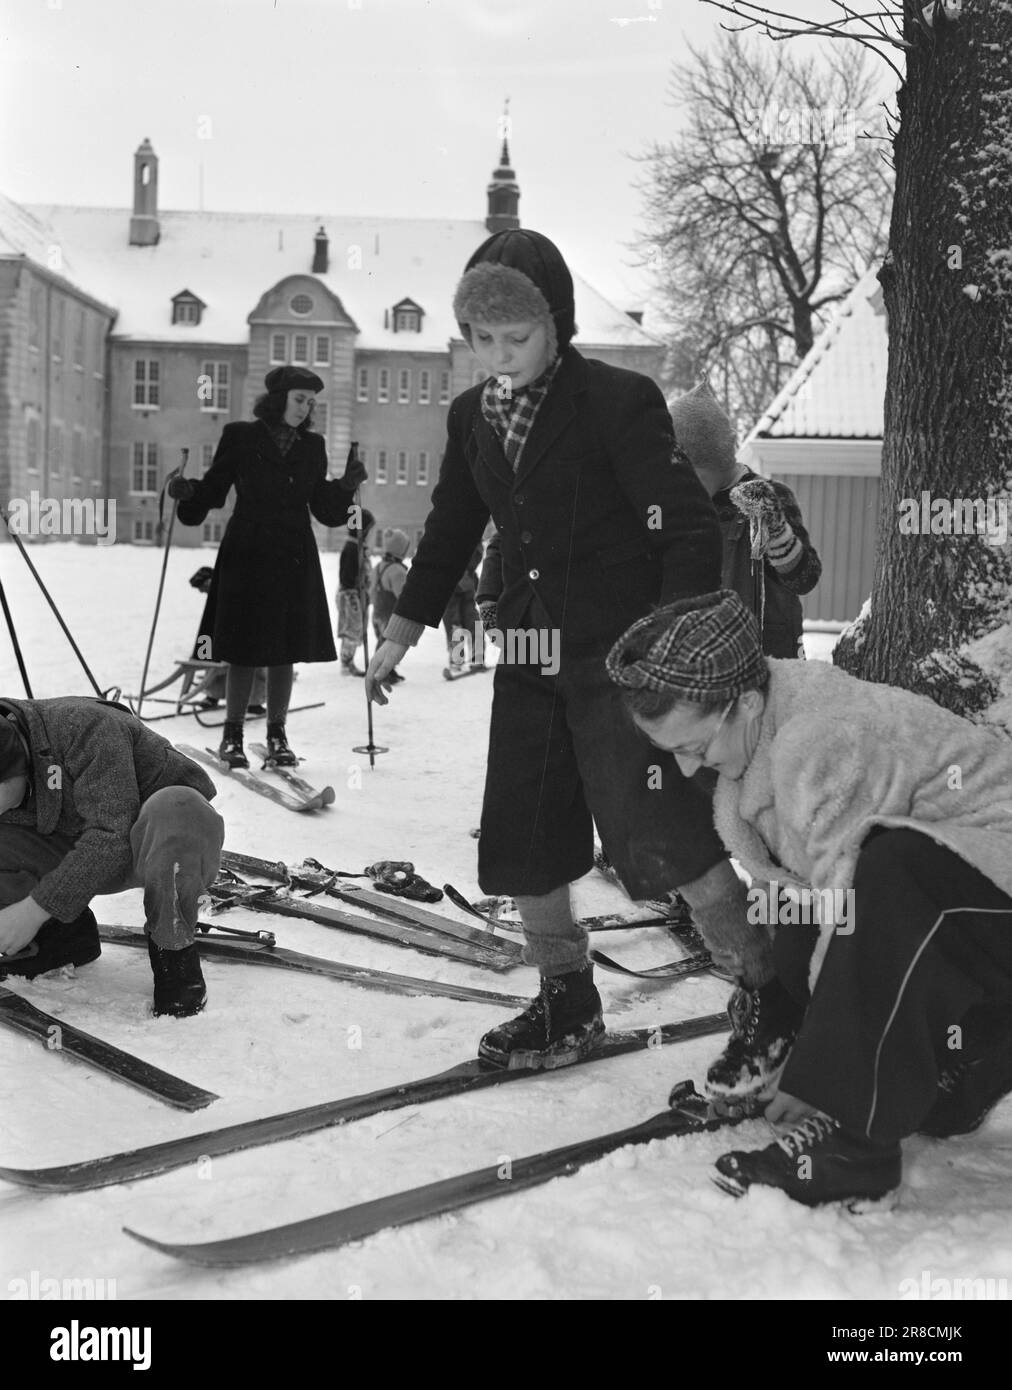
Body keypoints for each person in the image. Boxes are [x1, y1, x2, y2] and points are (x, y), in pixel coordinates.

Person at [366, 227, 782, 1084]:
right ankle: (566, 994)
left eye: (514, 337)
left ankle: (772, 996)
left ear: (555, 324)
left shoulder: (617, 402)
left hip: (622, 661)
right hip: (527, 650)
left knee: (665, 835)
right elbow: (451, 523)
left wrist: (670, 644)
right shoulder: (469, 416)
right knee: (527, 830)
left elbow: (686, 522)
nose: (498, 356)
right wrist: (403, 627)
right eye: (481, 339)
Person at [607, 589, 1012, 1205]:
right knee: (798, 931)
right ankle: (977, 1055)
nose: (689, 771)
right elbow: (806, 904)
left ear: (742, 703)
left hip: (995, 870)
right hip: (979, 907)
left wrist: (822, 1076)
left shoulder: (815, 741)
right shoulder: (764, 731)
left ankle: (855, 1152)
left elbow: (852, 905)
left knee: (891, 873)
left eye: (693, 748)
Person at [167, 365, 367, 768]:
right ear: (278, 399)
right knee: (242, 647)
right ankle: (232, 736)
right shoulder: (240, 436)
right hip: (248, 550)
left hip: (294, 554)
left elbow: (325, 509)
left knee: (284, 648)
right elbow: (214, 488)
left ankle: (278, 736)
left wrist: (346, 486)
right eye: (299, 399)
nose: (305, 408)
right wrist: (187, 492)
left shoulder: (313, 446)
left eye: (310, 402)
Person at [0, 697, 224, 1017]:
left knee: (177, 807)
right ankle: (62, 937)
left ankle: (174, 951)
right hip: (69, 846)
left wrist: (33, 910)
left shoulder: (87, 727)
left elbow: (112, 838)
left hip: (144, 842)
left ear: (17, 766)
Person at [668, 379, 821, 658]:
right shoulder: (681, 506)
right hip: (702, 661)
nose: (685, 487)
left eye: (692, 476)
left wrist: (776, 530)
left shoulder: (770, 498)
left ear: (717, 460)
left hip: (768, 660)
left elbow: (805, 579)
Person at [188, 565, 267, 712]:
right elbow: (209, 626)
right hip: (223, 638)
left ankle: (254, 702)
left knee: (253, 663)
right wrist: (202, 653)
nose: (201, 591)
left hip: (249, 633)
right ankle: (213, 696)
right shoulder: (215, 598)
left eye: (203, 586)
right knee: (214, 661)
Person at [336, 509, 375, 677]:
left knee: (358, 627)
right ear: (363, 529)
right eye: (368, 529)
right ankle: (346, 661)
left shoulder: (358, 547)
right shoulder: (352, 548)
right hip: (350, 595)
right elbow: (347, 576)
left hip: (358, 594)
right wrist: (353, 592)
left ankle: (349, 660)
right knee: (353, 627)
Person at [370, 529, 411, 685]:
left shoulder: (379, 566)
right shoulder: (397, 571)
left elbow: (371, 588)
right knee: (387, 644)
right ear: (400, 550)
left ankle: (388, 670)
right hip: (390, 614)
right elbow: (403, 596)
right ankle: (382, 673)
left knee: (382, 642)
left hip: (378, 612)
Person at [442, 543, 486, 671]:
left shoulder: (475, 547)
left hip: (467, 596)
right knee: (455, 627)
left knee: (475, 624)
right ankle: (457, 659)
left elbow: (472, 569)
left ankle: (477, 658)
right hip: (451, 597)